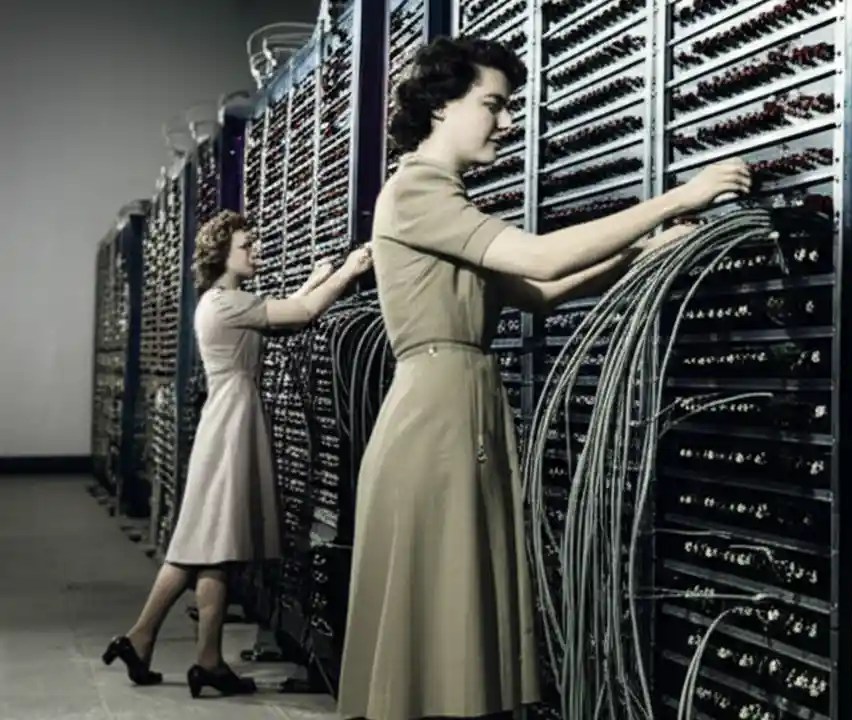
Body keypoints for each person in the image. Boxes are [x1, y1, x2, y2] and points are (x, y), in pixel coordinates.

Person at [337, 36, 751, 720]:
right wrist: (680, 195)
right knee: (435, 617)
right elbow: (541, 256)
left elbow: (537, 293)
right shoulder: (415, 190)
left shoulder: (439, 195)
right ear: (441, 107)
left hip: (458, 408)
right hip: (435, 424)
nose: (506, 122)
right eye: (493, 105)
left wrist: (640, 253)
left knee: (455, 614)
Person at [103, 210, 373, 698]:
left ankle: (174, 649)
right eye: (246, 246)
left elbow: (288, 307)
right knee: (208, 543)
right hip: (232, 423)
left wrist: (319, 277)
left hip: (228, 417)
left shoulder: (220, 301)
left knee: (209, 545)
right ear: (221, 253)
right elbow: (303, 314)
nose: (255, 252)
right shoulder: (227, 303)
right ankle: (165, 645)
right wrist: (351, 270)